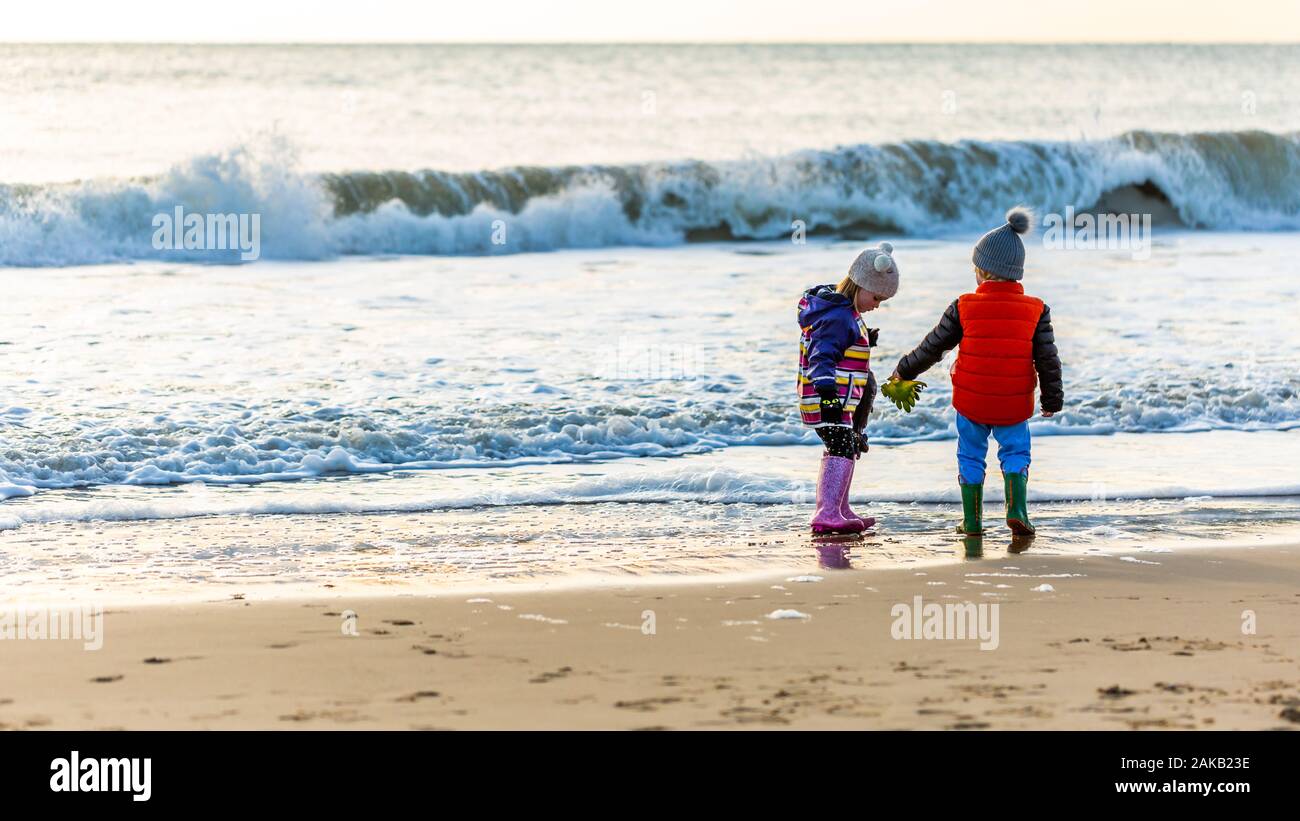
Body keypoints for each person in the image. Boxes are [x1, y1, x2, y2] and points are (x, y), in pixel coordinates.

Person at [891, 207, 1063, 535]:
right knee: (1015, 452)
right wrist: (1052, 399)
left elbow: (934, 347)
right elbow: (1048, 360)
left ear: (982, 272)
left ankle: (972, 521)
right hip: (1013, 404)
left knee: (970, 454)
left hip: (971, 403)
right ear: (1017, 274)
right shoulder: (1037, 309)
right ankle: (1017, 511)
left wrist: (904, 371)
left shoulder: (963, 305)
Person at [796, 242, 899, 533]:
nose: (877, 305)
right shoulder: (838, 318)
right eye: (877, 297)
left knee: (844, 446)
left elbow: (841, 348)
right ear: (860, 285)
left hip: (841, 399)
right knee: (841, 447)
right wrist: (827, 394)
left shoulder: (844, 314)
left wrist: (865, 340)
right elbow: (822, 355)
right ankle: (826, 513)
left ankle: (839, 508)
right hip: (828, 398)